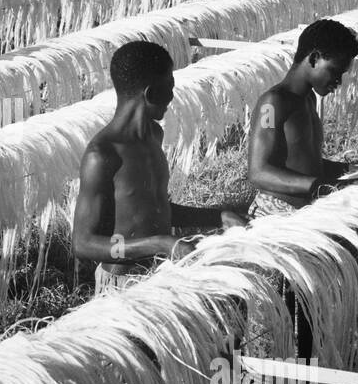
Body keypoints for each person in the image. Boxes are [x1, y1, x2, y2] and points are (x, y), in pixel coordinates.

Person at [72, 41, 248, 293]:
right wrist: (160, 243)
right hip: (123, 287)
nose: (172, 97)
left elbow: (155, 210)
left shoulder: (153, 135)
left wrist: (218, 216)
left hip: (160, 274)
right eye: (169, 88)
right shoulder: (102, 154)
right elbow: (84, 243)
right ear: (150, 93)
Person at [246, 18, 358, 218]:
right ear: (314, 58)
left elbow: (305, 163)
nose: (339, 82)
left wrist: (352, 170)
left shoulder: (308, 99)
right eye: (335, 71)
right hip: (274, 213)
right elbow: (258, 173)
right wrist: (320, 187)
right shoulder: (272, 103)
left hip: (304, 209)